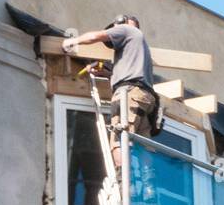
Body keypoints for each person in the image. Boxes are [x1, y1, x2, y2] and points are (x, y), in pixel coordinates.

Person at [61, 15, 163, 186]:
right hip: (145, 98)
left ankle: (123, 180)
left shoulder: (127, 30)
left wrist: (72, 41)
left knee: (118, 138)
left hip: (129, 95)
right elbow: (132, 73)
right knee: (142, 144)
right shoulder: (140, 46)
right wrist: (108, 74)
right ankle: (149, 184)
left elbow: (96, 36)